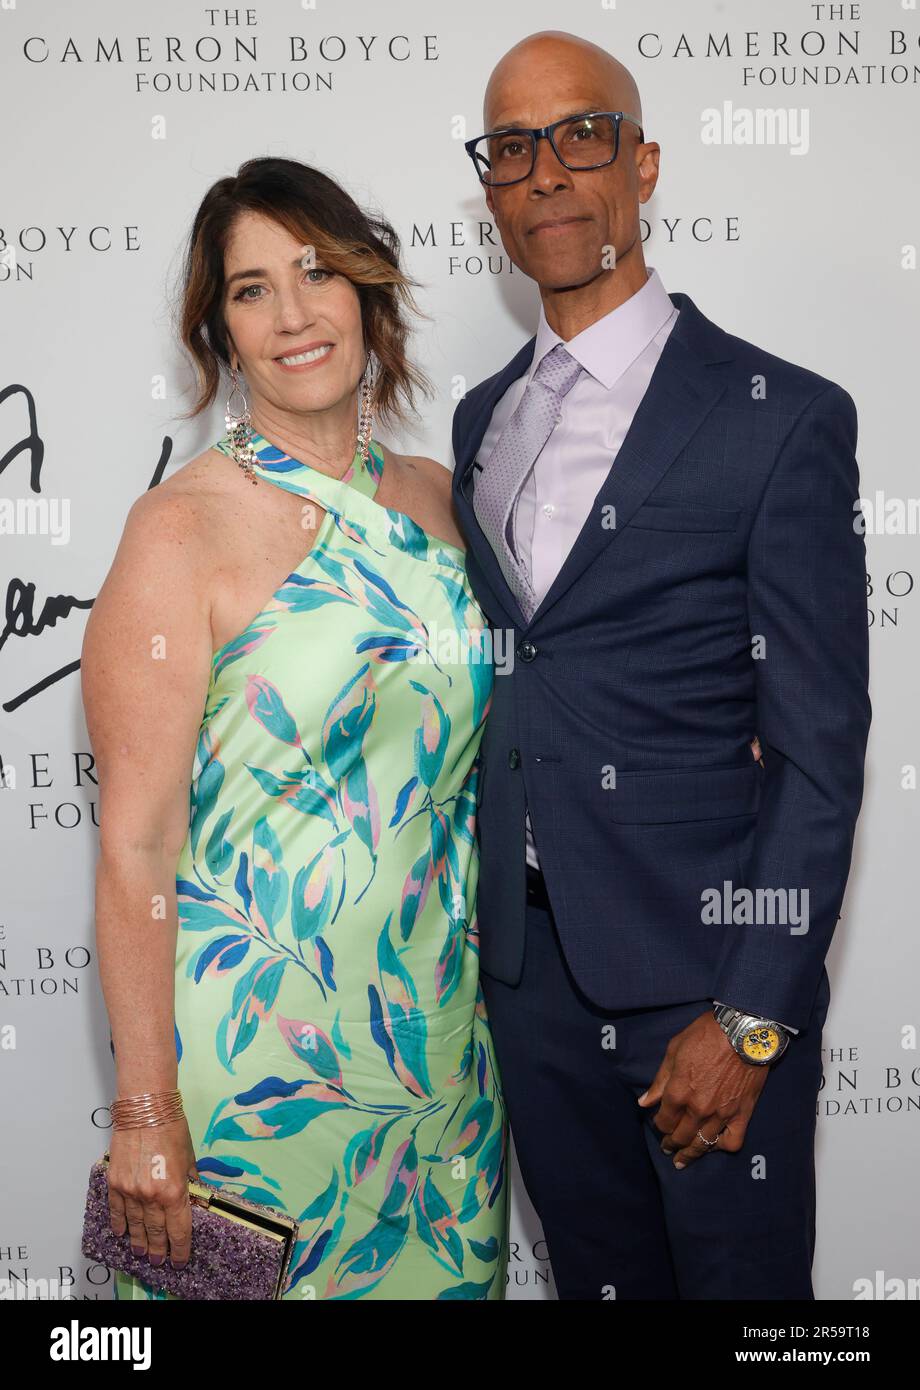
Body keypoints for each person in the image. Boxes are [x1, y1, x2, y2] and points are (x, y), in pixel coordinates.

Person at [451, 31, 871, 1299]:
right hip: (524, 980)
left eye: (579, 136)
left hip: (703, 988)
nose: (545, 175)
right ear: (489, 192)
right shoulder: (481, 420)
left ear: (641, 164)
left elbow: (814, 755)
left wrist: (748, 1018)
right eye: (511, 149)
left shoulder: (778, 414)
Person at [81, 156, 507, 1301]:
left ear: (366, 289)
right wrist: (144, 1109)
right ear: (218, 330)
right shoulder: (178, 531)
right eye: (250, 289)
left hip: (439, 1062)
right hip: (250, 1080)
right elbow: (134, 847)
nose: (292, 313)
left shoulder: (436, 497)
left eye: (315, 272)